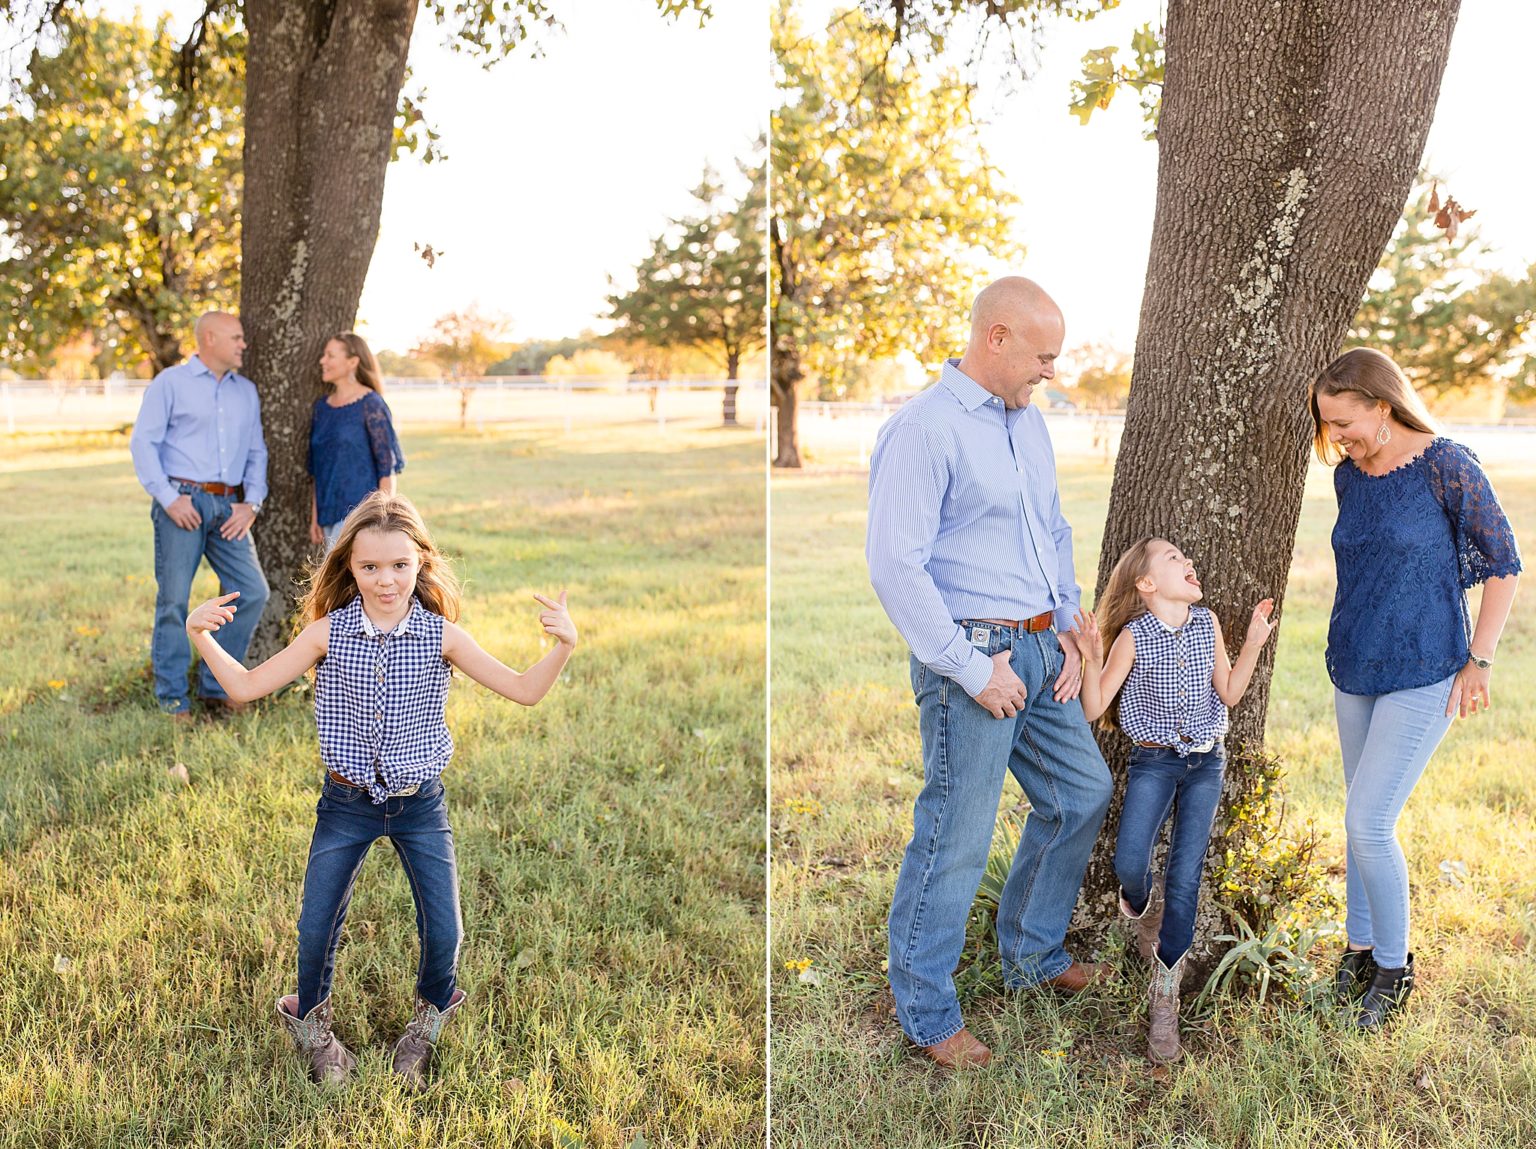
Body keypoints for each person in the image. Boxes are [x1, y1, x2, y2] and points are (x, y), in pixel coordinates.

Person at [184, 491, 578, 1088]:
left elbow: (523, 690)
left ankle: (425, 1027)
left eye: (399, 565)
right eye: (369, 567)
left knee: (446, 929)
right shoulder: (326, 633)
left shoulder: (441, 635)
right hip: (346, 803)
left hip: (419, 804)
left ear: (421, 562)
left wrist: (564, 645)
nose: (385, 579)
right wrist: (201, 634)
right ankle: (313, 1028)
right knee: (316, 926)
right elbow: (243, 686)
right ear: (350, 568)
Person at [865, 276, 1113, 1070]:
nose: (1050, 371)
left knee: (1081, 793)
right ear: (995, 337)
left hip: (1042, 647)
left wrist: (1071, 617)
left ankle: (1032, 954)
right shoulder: (925, 429)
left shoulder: (1027, 424)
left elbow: (1050, 525)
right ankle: (927, 1010)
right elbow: (895, 567)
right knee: (956, 833)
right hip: (972, 654)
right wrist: (973, 670)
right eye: (1042, 355)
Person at [1309, 348, 1520, 1029]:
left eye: (1343, 420)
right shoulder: (1349, 476)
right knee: (1356, 820)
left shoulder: (1445, 465)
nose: (1335, 435)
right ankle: (1360, 949)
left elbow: (1503, 564)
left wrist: (1479, 661)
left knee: (1369, 822)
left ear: (1382, 403)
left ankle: (1394, 972)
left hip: (1427, 667)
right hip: (1355, 664)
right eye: (1328, 424)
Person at [1070, 539, 1275, 1062]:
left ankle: (1164, 1006)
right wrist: (1093, 659)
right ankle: (1142, 910)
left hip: (1207, 761)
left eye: (1186, 558)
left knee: (1186, 876)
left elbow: (1229, 693)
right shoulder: (1133, 639)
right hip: (1154, 762)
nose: (1188, 563)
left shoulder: (1206, 625)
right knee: (1129, 862)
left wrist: (1252, 641)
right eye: (1173, 559)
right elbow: (1094, 709)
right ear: (1146, 584)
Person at [128, 311, 271, 720]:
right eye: (236, 337)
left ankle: (217, 683)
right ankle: (172, 697)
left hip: (231, 507)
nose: (244, 344)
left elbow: (257, 452)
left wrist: (253, 503)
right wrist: (169, 498)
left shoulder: (246, 391)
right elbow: (143, 444)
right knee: (173, 600)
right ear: (209, 338)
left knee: (252, 591)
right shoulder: (170, 383)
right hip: (182, 503)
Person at [309, 332, 405, 551]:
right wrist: (315, 517)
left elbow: (386, 469)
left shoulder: (371, 404)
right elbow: (319, 468)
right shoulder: (321, 408)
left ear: (352, 362)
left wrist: (382, 521)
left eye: (330, 355)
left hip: (361, 516)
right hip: (327, 516)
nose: (323, 361)